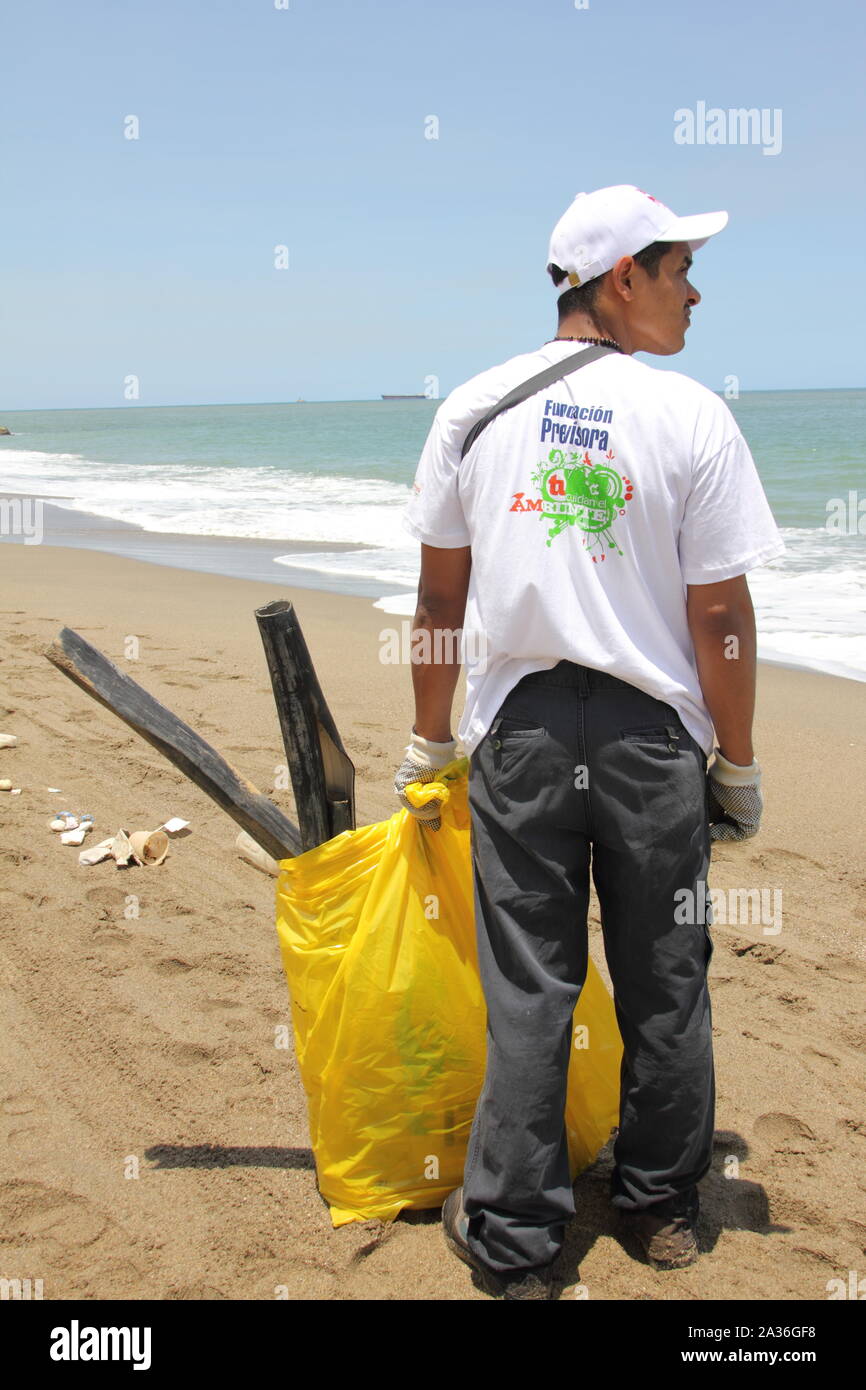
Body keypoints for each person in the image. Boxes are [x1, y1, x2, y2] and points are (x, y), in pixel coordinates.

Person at [395, 184, 786, 1300]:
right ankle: (659, 1206)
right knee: (665, 976)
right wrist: (737, 761)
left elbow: (437, 597)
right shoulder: (690, 416)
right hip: (651, 745)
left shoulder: (470, 407)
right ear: (622, 278)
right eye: (676, 268)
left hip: (518, 736)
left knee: (531, 983)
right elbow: (717, 617)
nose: (692, 289)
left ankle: (516, 1238)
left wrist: (428, 744)